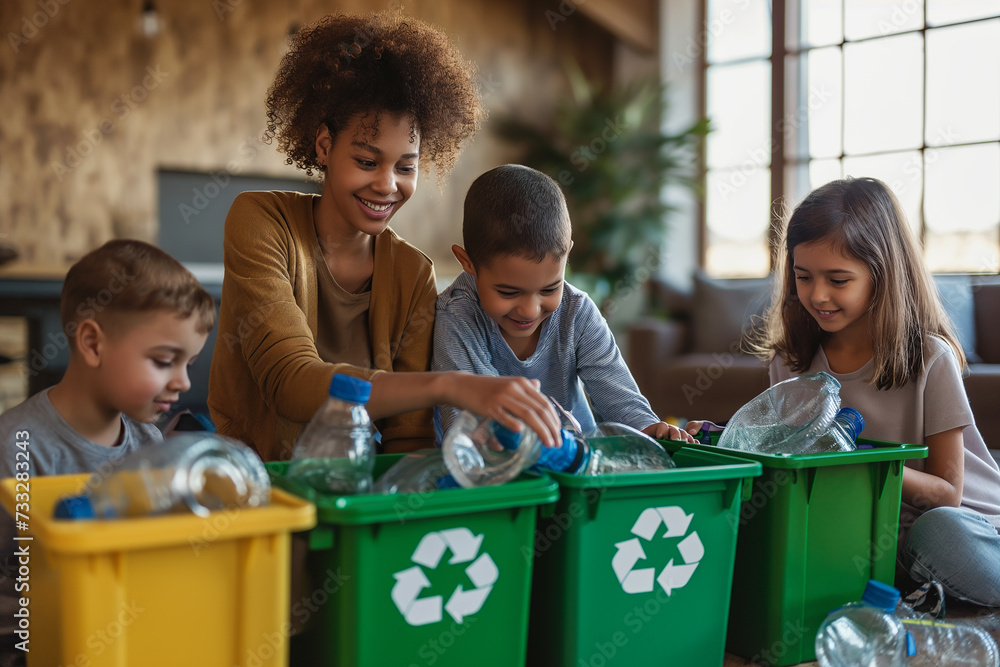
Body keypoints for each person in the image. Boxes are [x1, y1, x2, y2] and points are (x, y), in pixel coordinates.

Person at [207, 10, 560, 460]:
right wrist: (451, 385)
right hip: (256, 481)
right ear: (323, 146)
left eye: (406, 166)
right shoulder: (260, 220)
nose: (388, 185)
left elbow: (407, 439)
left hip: (357, 486)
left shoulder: (413, 274)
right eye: (367, 161)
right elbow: (290, 382)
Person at [733, 176, 1000, 605]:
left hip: (962, 524)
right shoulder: (792, 361)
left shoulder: (929, 358)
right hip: (866, 528)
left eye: (838, 280)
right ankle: (916, 589)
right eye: (803, 277)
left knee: (936, 535)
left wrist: (854, 459)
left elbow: (947, 494)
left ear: (883, 275)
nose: (817, 295)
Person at [0, 239, 214, 665]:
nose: (183, 383)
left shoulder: (149, 444)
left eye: (187, 364)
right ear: (93, 344)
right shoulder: (16, 448)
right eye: (163, 360)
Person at [432, 164, 694, 443]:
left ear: (566, 254)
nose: (530, 310)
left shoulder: (577, 312)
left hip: (581, 466)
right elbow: (469, 429)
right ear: (467, 262)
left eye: (549, 288)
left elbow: (626, 408)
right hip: (500, 472)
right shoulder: (456, 317)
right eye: (508, 292)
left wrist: (652, 432)